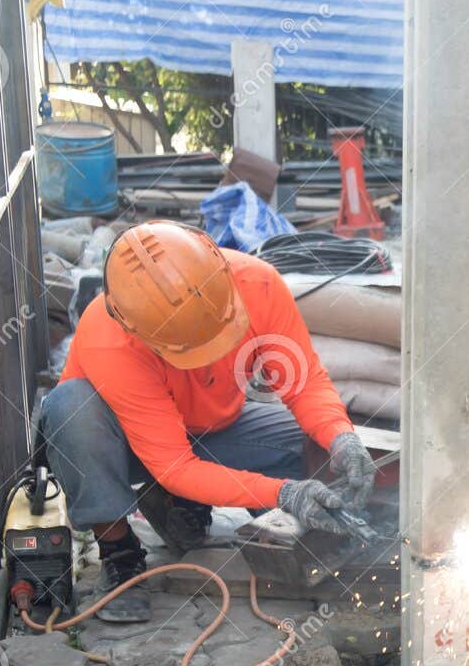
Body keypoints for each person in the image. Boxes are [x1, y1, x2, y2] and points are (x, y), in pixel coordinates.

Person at [38, 221, 374, 623]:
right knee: (70, 408)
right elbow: (174, 465)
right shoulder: (110, 337)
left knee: (297, 444)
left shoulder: (258, 285)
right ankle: (120, 554)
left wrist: (341, 438)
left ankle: (185, 504)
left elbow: (305, 385)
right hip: (125, 447)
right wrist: (283, 493)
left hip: (210, 430)